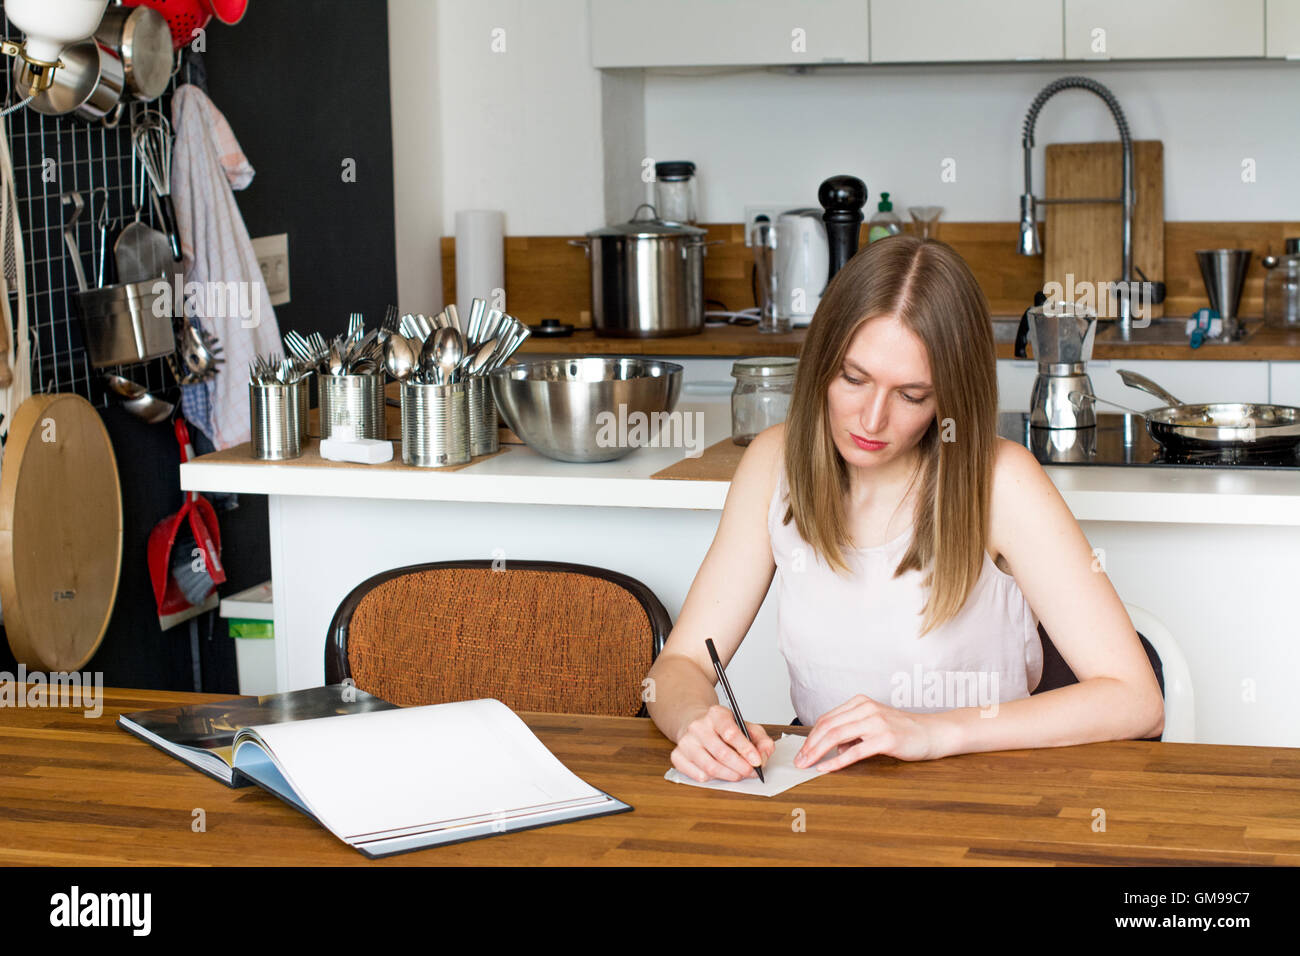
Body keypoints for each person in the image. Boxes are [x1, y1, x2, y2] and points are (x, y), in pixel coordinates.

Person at [645, 234, 1164, 783]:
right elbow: (680, 667)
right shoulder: (773, 465)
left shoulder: (1002, 482)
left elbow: (1136, 701)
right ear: (822, 362)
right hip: (830, 794)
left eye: (912, 395)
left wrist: (933, 732)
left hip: (987, 793)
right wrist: (696, 721)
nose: (871, 420)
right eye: (853, 378)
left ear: (950, 398)